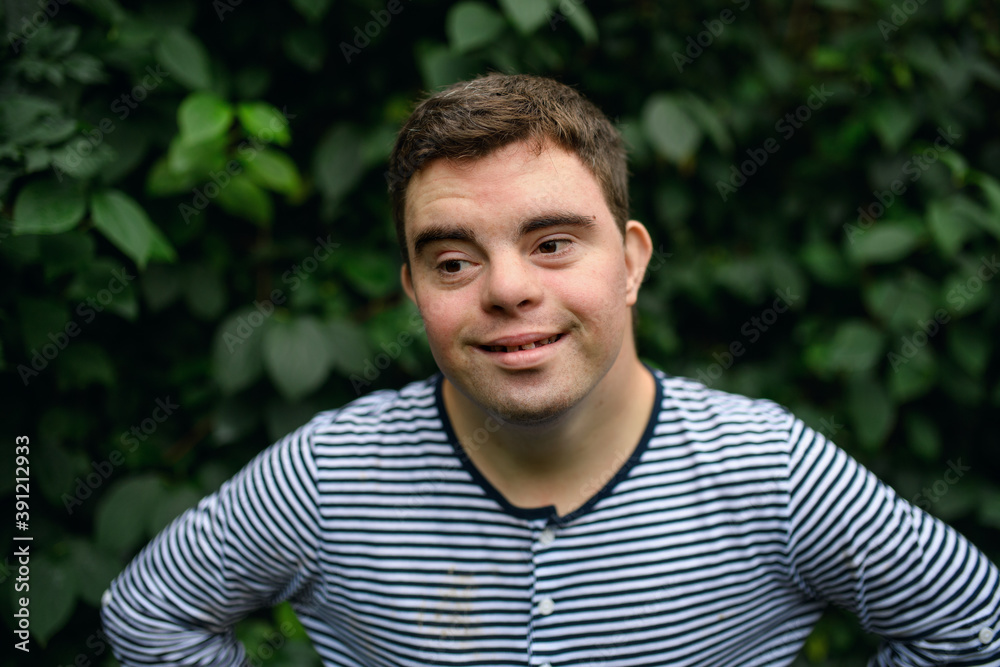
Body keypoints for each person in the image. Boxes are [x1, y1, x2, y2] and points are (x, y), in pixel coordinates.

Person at [102, 73, 1000, 666]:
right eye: (453, 261)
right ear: (413, 287)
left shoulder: (769, 471)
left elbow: (973, 625)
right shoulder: (333, 476)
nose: (507, 288)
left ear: (633, 259)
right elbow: (148, 616)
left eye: (554, 242)